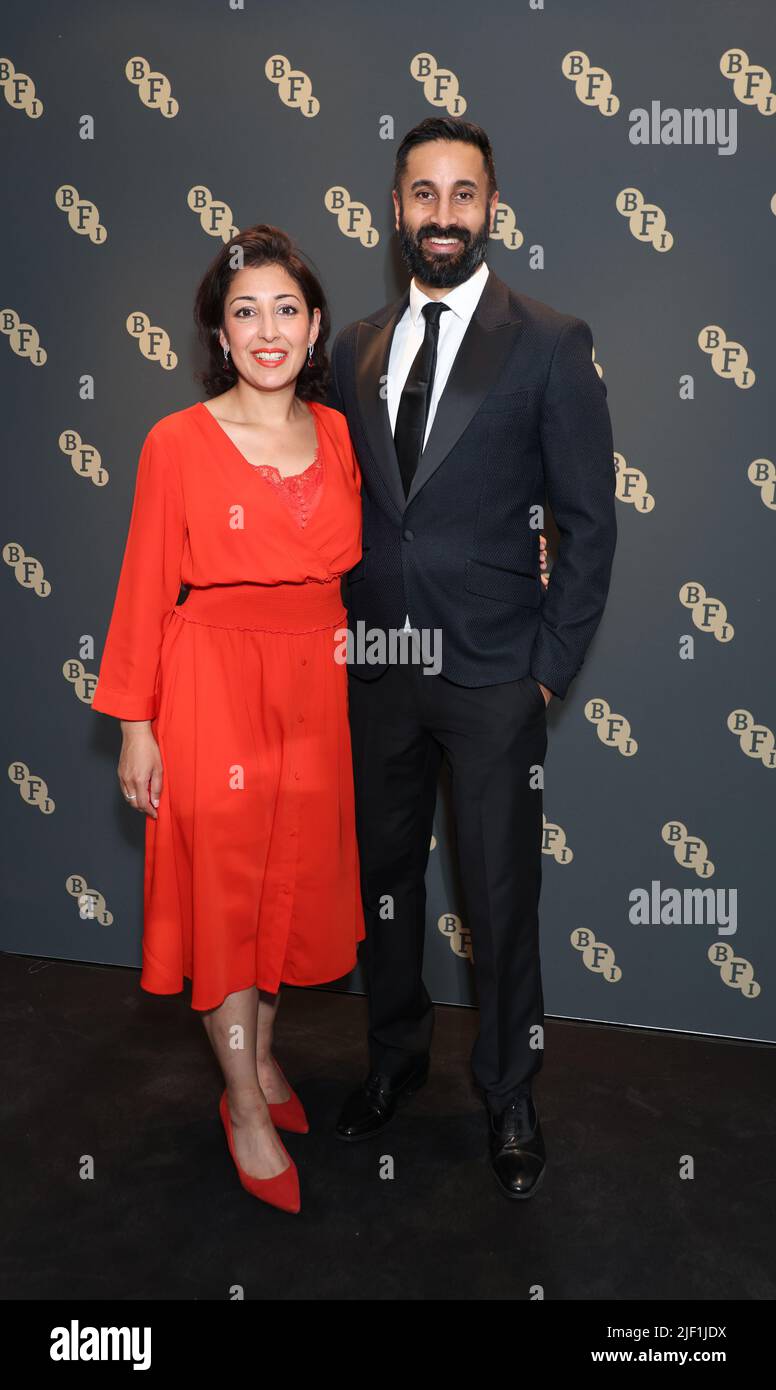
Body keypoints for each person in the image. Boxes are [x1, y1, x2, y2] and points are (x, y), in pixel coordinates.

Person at [326, 117, 617, 1199]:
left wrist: (547, 663)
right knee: (385, 884)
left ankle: (507, 1090)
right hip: (377, 668)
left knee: (498, 895)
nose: (440, 214)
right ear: (393, 208)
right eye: (420, 193)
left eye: (461, 194)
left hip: (495, 671)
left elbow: (588, 521)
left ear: (489, 208)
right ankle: (393, 1060)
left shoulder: (547, 339)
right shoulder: (351, 346)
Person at [91, 226, 365, 1215]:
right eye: (243, 309)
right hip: (209, 688)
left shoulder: (338, 435)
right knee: (223, 901)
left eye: (284, 308)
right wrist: (135, 722)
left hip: (315, 692)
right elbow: (141, 591)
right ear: (217, 328)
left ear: (314, 321)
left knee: (283, 894)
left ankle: (264, 1052)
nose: (266, 328)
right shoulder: (176, 440)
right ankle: (242, 1099)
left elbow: (397, 557)